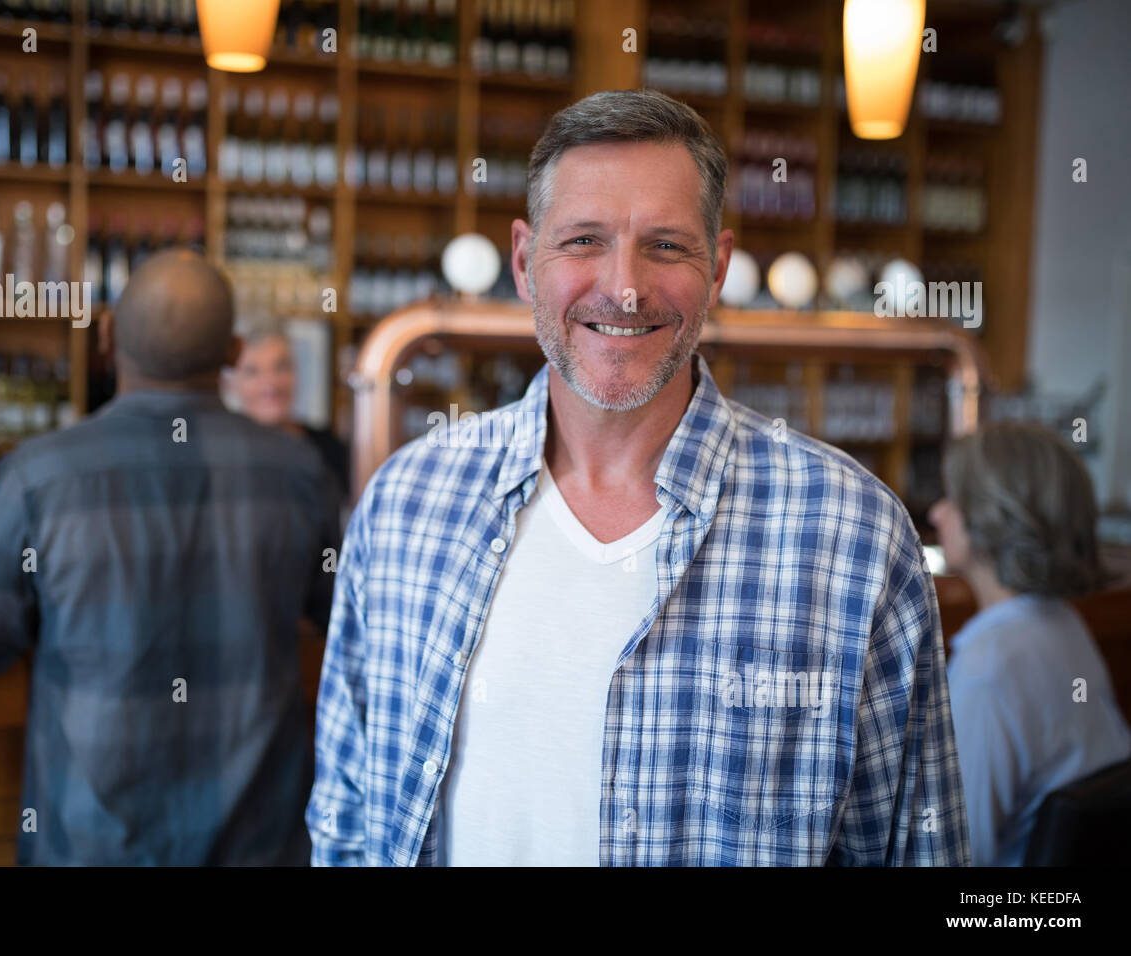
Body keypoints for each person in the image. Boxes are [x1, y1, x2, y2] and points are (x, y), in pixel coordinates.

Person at [306, 89, 969, 866]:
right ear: (525, 263)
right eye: (584, 240)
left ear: (718, 268)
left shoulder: (853, 534)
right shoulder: (404, 505)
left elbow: (916, 851)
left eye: (664, 246)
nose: (624, 287)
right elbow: (346, 824)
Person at [0, 250, 339, 865]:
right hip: (261, 842)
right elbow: (344, 623)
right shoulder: (300, 474)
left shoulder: (37, 478)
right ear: (232, 354)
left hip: (90, 845)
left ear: (108, 338)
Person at [931, 422, 1131, 866]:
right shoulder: (1062, 623)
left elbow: (953, 856)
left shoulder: (989, 667)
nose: (936, 513)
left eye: (954, 500)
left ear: (992, 517)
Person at [227, 316, 350, 500]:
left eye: (281, 367)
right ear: (232, 383)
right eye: (252, 372)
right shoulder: (224, 455)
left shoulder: (327, 448)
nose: (270, 384)